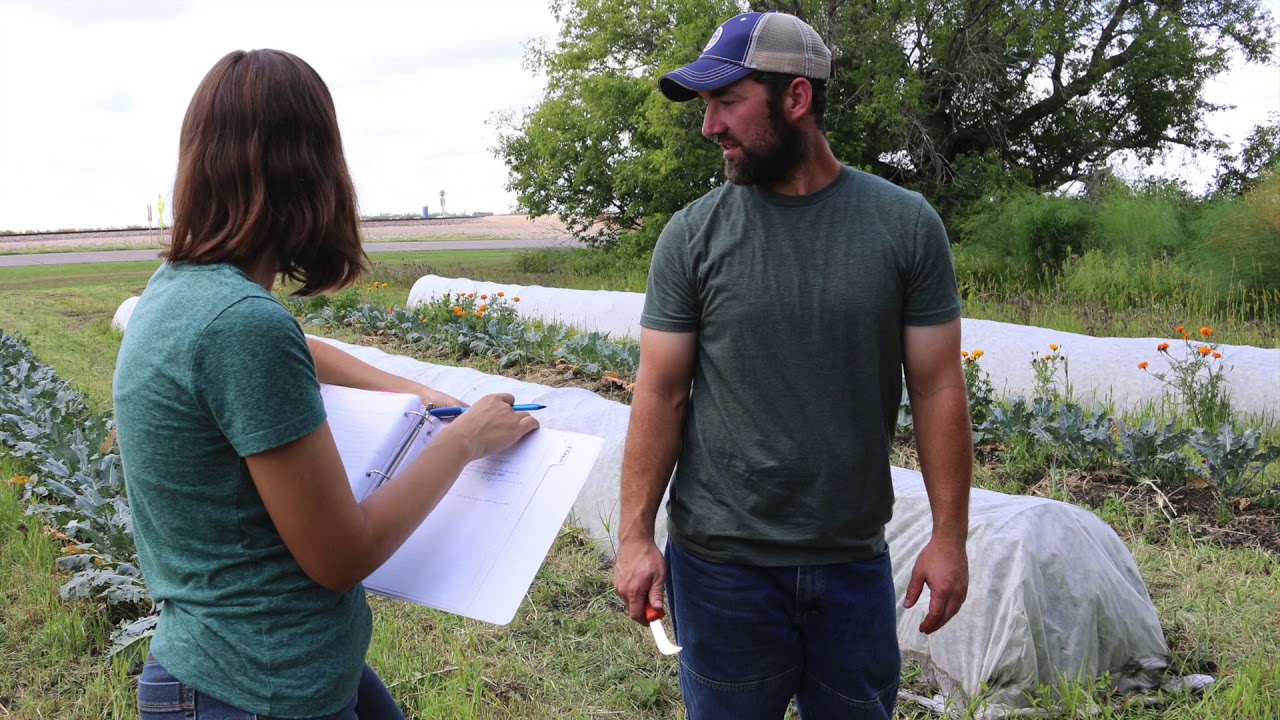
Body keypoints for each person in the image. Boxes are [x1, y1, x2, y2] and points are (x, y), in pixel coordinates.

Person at [113, 49, 539, 720]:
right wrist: (463, 443)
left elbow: (303, 353)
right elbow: (343, 556)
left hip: (252, 665)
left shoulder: (179, 294)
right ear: (310, 171)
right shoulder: (241, 325)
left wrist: (420, 397)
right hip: (257, 688)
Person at [612, 11, 973, 719]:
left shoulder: (904, 226)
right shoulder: (692, 236)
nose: (710, 126)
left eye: (727, 101)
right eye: (706, 105)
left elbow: (937, 388)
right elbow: (660, 393)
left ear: (797, 98)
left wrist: (949, 538)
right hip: (721, 569)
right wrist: (635, 536)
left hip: (851, 561)